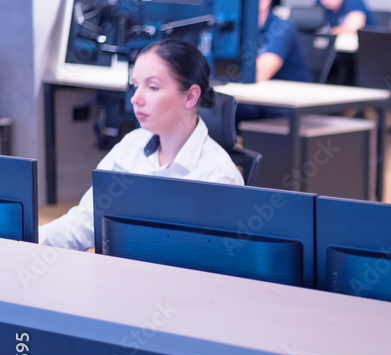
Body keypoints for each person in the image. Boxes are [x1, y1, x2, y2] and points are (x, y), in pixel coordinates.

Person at [40, 39, 244, 251]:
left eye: (153, 87)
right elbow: (85, 221)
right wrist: (30, 239)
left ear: (191, 96)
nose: (135, 99)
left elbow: (219, 267)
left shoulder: (219, 177)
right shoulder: (131, 144)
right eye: (135, 86)